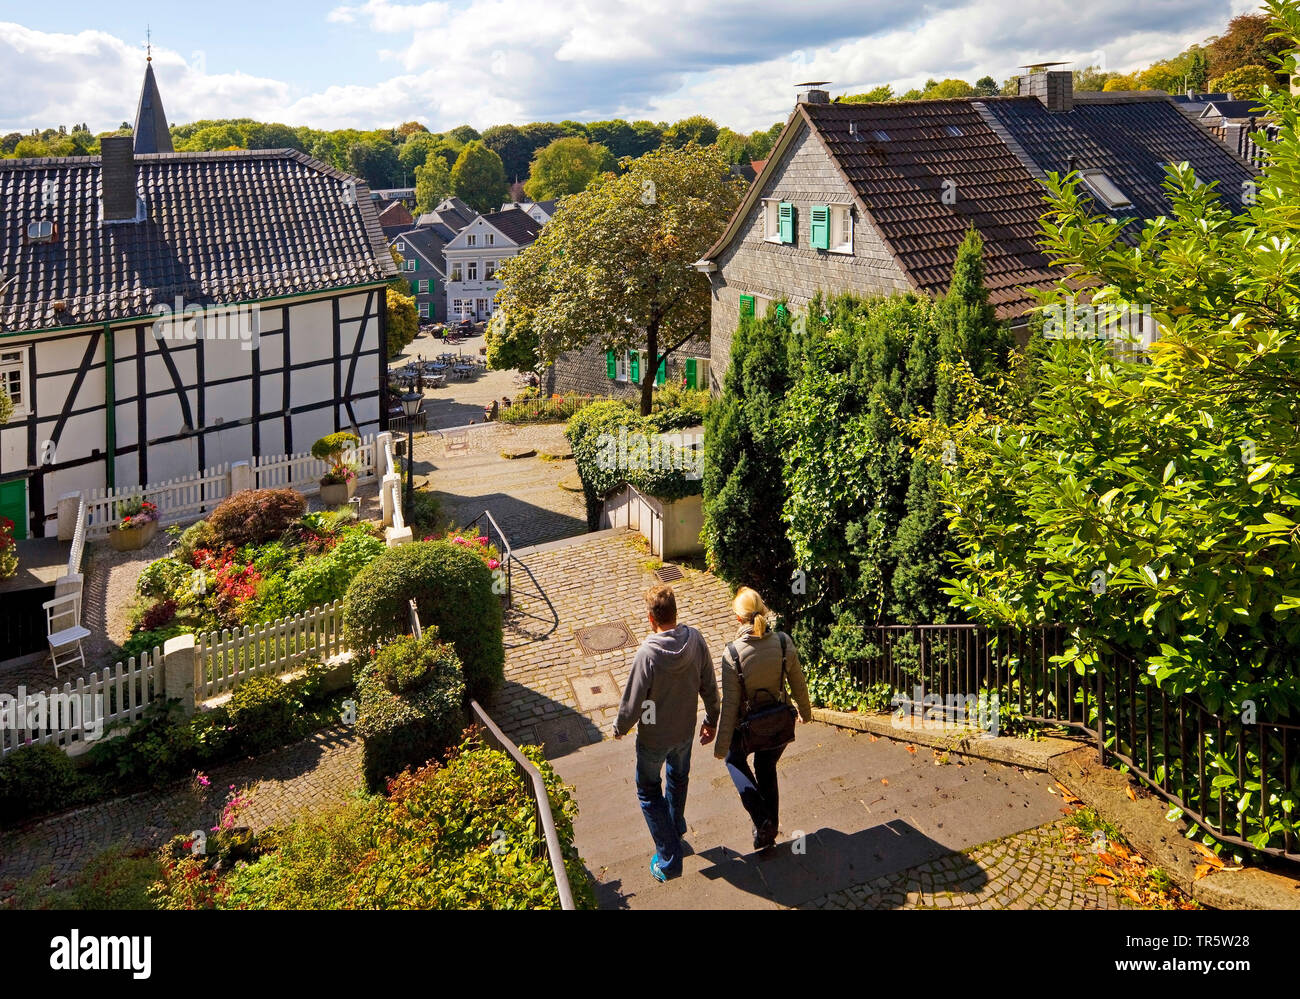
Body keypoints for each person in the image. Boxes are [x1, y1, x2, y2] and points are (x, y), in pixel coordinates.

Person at [613, 585, 718, 882]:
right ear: (675, 612)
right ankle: (676, 831)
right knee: (678, 778)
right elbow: (709, 684)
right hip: (684, 732)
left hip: (653, 738)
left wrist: (620, 728)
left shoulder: (647, 654)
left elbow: (633, 701)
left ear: (650, 618)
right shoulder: (695, 640)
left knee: (648, 790)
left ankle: (670, 858)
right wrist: (711, 719)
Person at [714, 587, 812, 850]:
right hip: (779, 723)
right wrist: (805, 712)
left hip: (749, 728)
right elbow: (798, 684)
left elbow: (731, 705)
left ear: (738, 618)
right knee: (766, 766)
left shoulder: (732, 654)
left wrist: (721, 745)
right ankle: (769, 830)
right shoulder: (783, 642)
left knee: (733, 759)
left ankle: (762, 819)